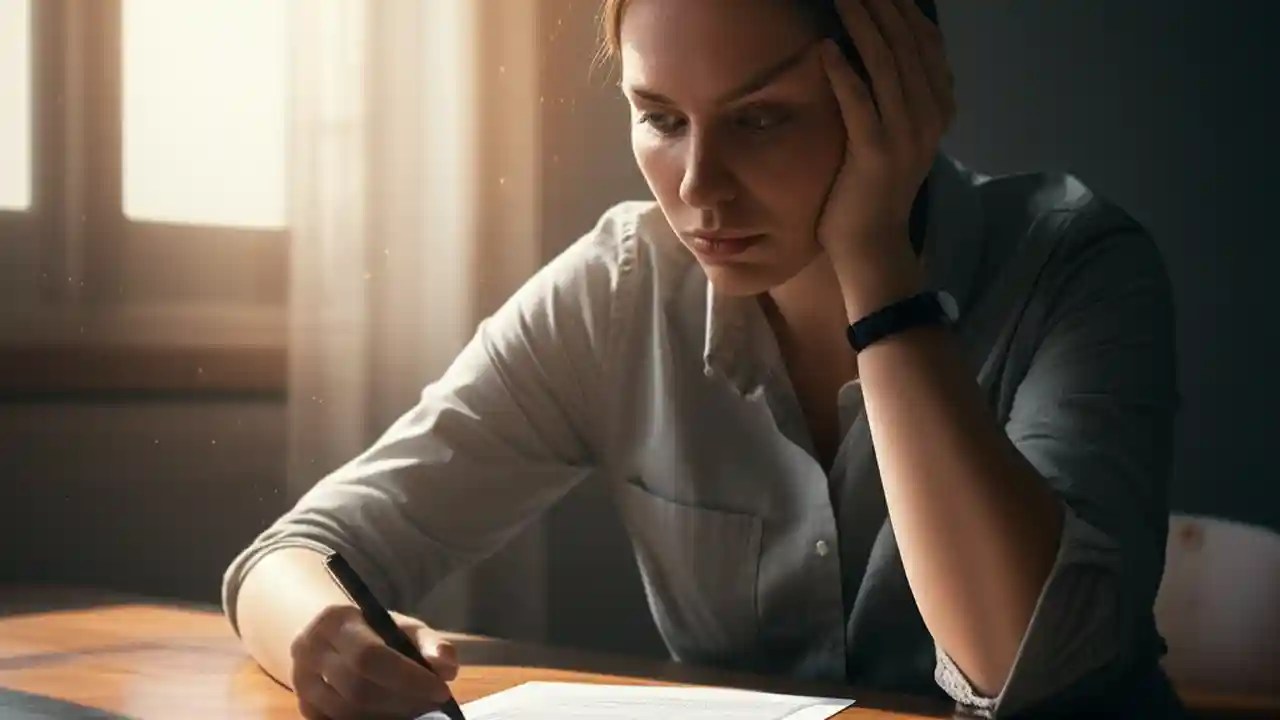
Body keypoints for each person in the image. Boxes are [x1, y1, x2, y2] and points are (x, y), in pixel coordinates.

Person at [222, 0, 1184, 717]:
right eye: (661, 117)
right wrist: (321, 632)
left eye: (762, 118)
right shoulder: (622, 288)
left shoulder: (1076, 265)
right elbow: (295, 556)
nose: (698, 189)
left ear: (902, 96)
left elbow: (1023, 663)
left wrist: (878, 275)